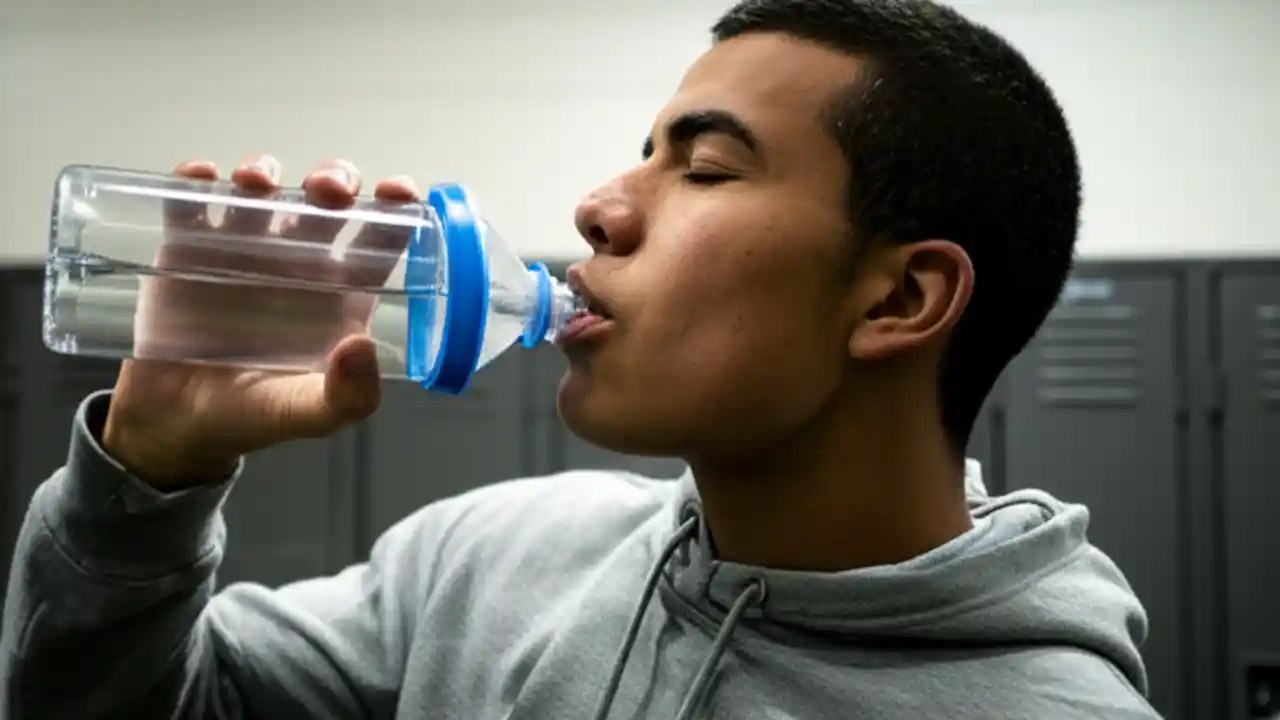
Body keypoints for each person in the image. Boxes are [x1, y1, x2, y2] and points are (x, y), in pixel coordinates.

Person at [0, 0, 1162, 718]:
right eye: (636, 155)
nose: (599, 209)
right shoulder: (486, 558)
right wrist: (146, 478)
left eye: (702, 169)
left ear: (899, 298)